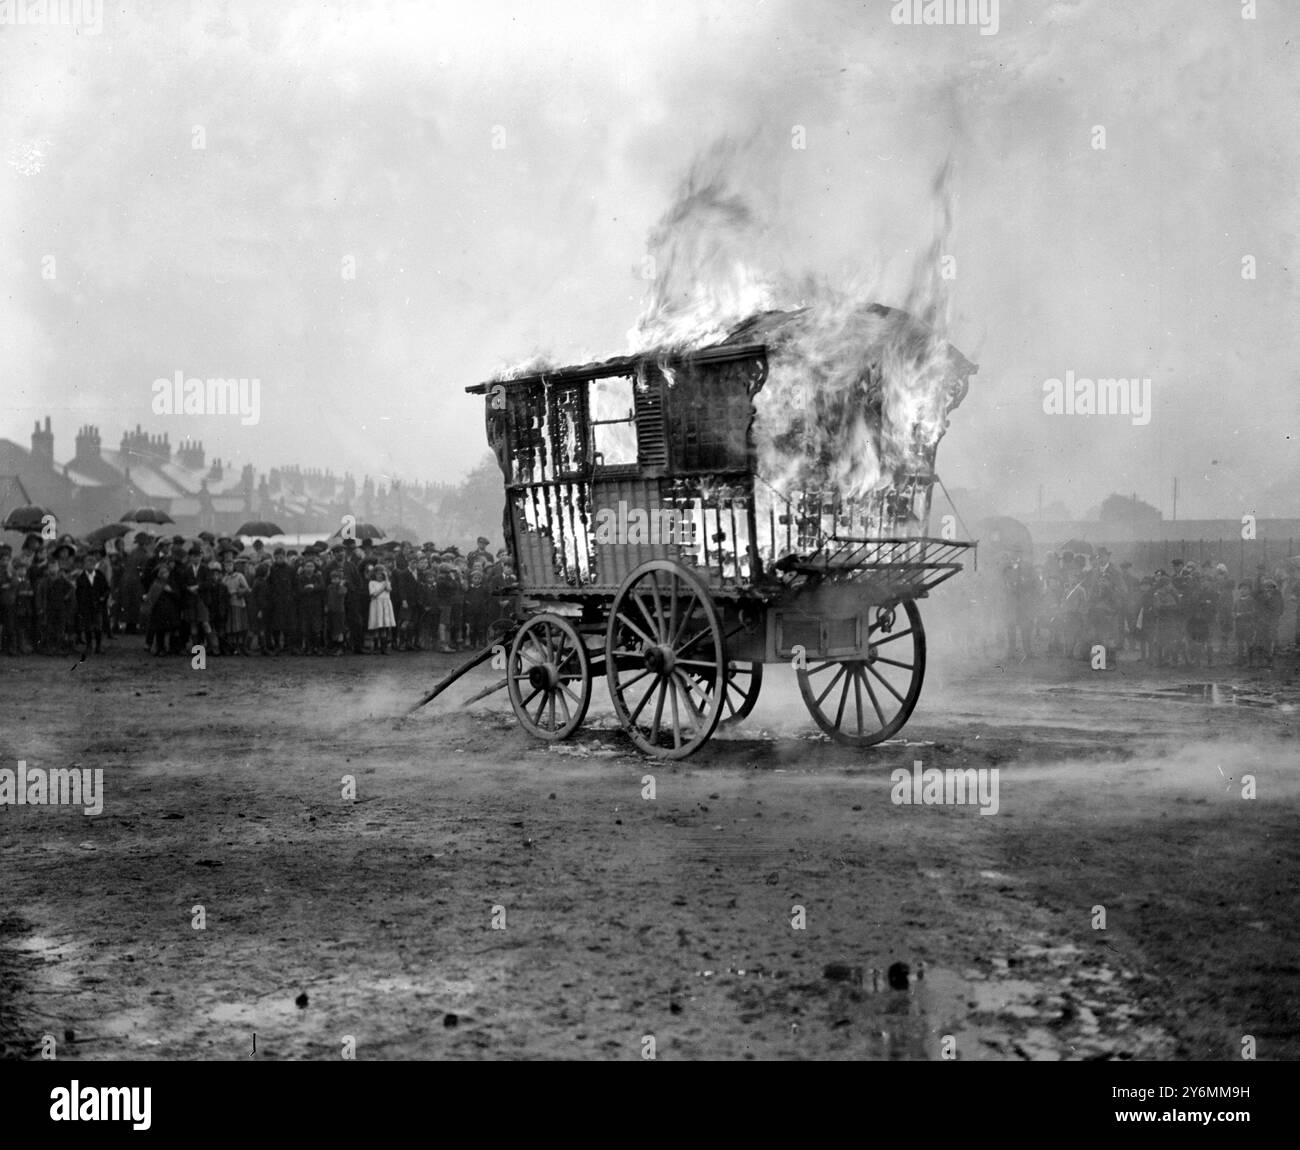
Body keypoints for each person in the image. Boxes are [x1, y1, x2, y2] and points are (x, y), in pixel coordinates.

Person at [74, 548, 111, 654]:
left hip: (98, 605)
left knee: (98, 626)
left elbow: (106, 589)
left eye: (92, 563)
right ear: (84, 565)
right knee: (87, 626)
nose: (90, 565)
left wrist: (103, 598)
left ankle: (98, 646)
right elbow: (78, 593)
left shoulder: (99, 575)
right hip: (86, 606)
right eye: (87, 563)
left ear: (95, 564)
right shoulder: (81, 578)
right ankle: (89, 645)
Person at [222, 557, 252, 655]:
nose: (228, 568)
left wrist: (236, 592)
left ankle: (241, 646)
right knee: (231, 628)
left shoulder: (239, 576)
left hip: (239, 604)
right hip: (229, 605)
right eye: (226, 566)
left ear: (233, 566)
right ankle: (233, 647)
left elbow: (247, 589)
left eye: (230, 565)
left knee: (240, 627)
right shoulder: (224, 578)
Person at [368, 563, 396, 654]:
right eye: (378, 574)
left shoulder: (386, 583)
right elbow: (373, 594)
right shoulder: (372, 583)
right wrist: (382, 587)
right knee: (377, 626)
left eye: (381, 574)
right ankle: (376, 646)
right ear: (374, 574)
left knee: (384, 626)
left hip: (385, 605)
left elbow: (389, 589)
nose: (379, 576)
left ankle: (384, 648)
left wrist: (386, 578)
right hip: (376, 605)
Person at [326, 568, 349, 655]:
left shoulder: (342, 587)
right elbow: (328, 598)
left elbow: (341, 593)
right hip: (331, 611)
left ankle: (341, 647)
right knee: (333, 630)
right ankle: (335, 647)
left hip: (339, 611)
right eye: (333, 578)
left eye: (336, 578)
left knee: (339, 630)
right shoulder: (329, 587)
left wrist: (341, 585)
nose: (334, 580)